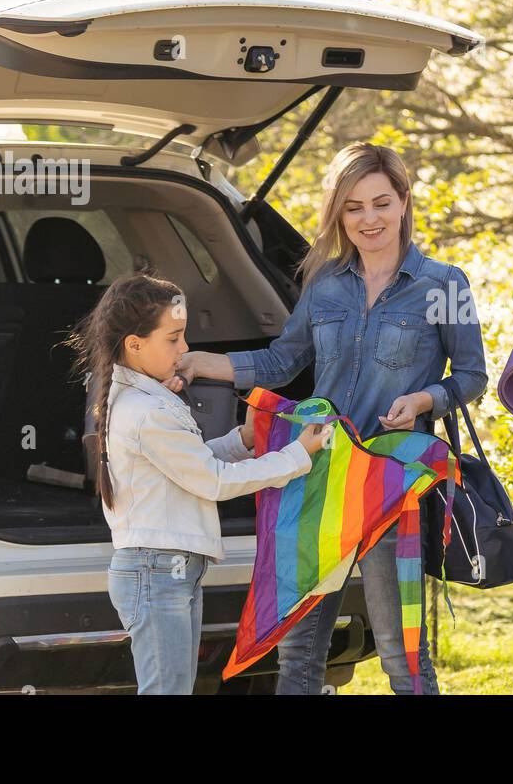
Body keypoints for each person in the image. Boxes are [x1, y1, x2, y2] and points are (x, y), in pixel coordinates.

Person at [165, 142, 488, 694]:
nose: (370, 219)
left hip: (390, 486)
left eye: (382, 203)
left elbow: (474, 378)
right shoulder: (325, 284)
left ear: (405, 201)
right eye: (354, 206)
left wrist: (424, 401)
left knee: (402, 657)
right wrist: (201, 362)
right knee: (299, 653)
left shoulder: (444, 284)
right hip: (319, 479)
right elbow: (281, 361)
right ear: (339, 212)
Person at [68, 271, 328, 694]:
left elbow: (191, 465)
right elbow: (213, 481)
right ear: (134, 345)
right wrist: (297, 456)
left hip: (171, 569)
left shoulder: (144, 400)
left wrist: (243, 440)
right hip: (158, 570)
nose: (185, 349)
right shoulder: (147, 410)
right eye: (173, 338)